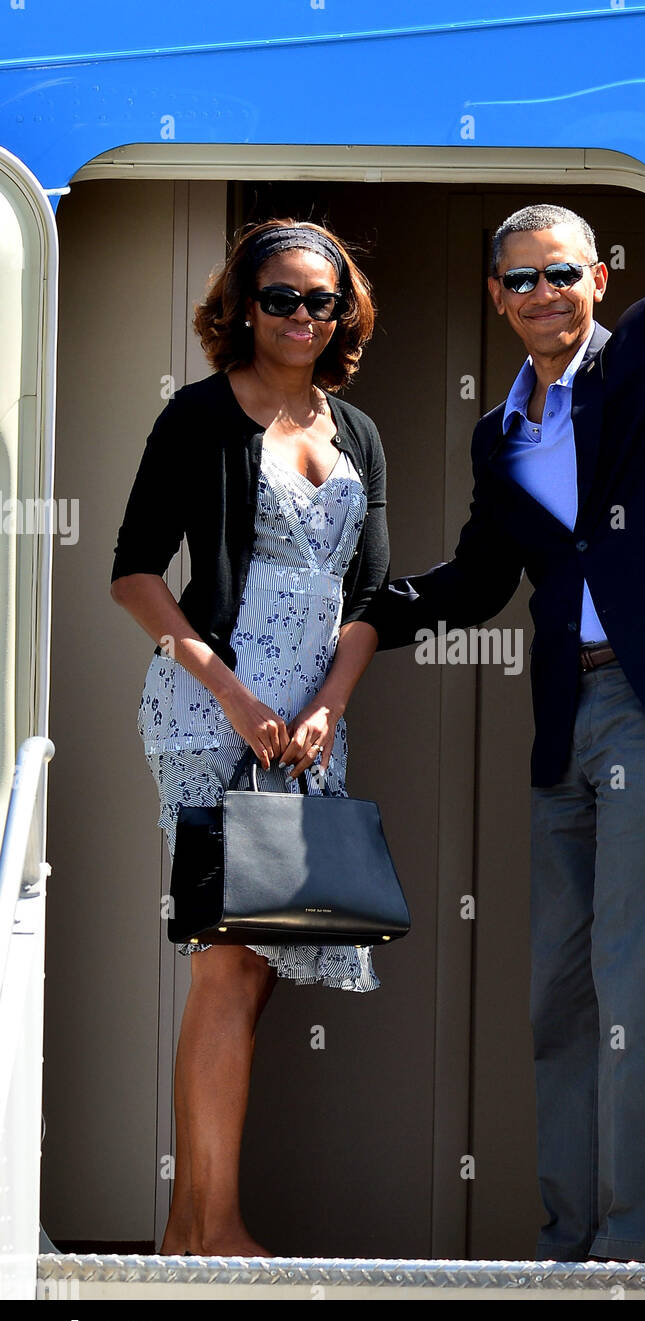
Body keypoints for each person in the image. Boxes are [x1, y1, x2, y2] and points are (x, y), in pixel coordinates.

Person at [365, 52, 645, 1262]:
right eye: (523, 280)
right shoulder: (497, 430)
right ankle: (568, 1247)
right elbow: (477, 579)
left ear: (597, 280)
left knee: (636, 982)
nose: (547, 292)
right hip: (565, 720)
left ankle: (635, 1252)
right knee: (554, 998)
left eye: (565, 272)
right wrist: (368, 612)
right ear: (498, 296)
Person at [110, 219, 389, 1257]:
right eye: (282, 298)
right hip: (210, 713)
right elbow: (135, 571)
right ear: (243, 303)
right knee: (226, 962)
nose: (304, 317)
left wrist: (329, 705)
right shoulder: (196, 416)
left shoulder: (354, 429)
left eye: (323, 301)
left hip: (310, 726)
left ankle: (190, 1229)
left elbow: (372, 595)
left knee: (258, 967)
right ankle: (216, 1224)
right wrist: (230, 692)